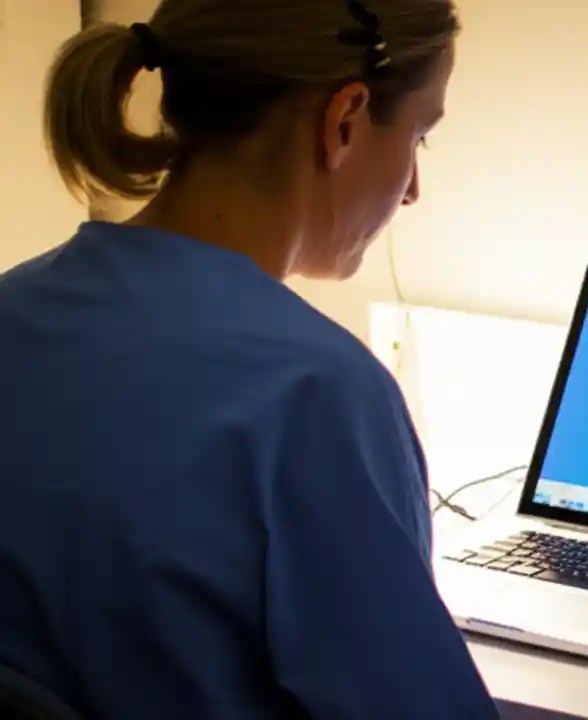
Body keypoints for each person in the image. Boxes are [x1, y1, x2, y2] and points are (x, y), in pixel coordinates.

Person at [0, 0, 498, 717]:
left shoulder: (13, 311)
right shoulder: (314, 394)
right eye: (419, 136)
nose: (412, 189)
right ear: (346, 120)